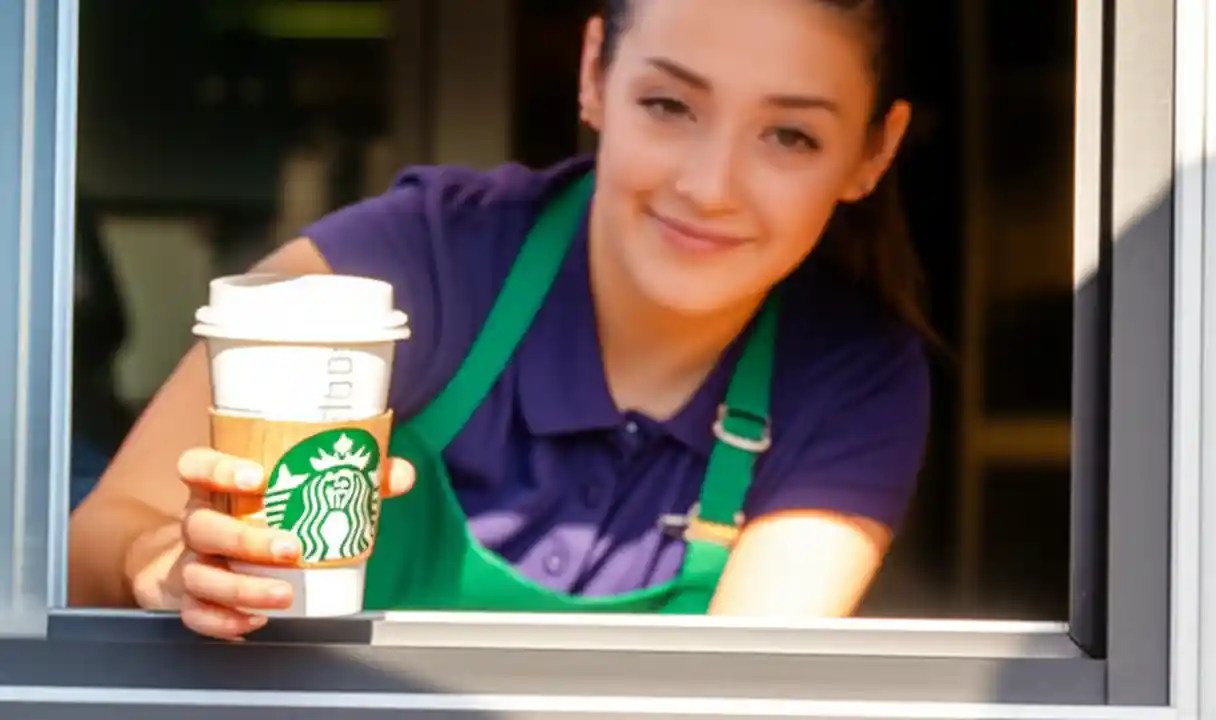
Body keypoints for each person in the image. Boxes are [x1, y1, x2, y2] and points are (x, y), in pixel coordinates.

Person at [67, 0, 931, 640]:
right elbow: (89, 547)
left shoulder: (854, 378)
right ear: (596, 74)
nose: (709, 186)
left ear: (872, 152)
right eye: (669, 105)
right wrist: (167, 568)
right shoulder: (413, 258)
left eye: (789, 136)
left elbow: (744, 689)